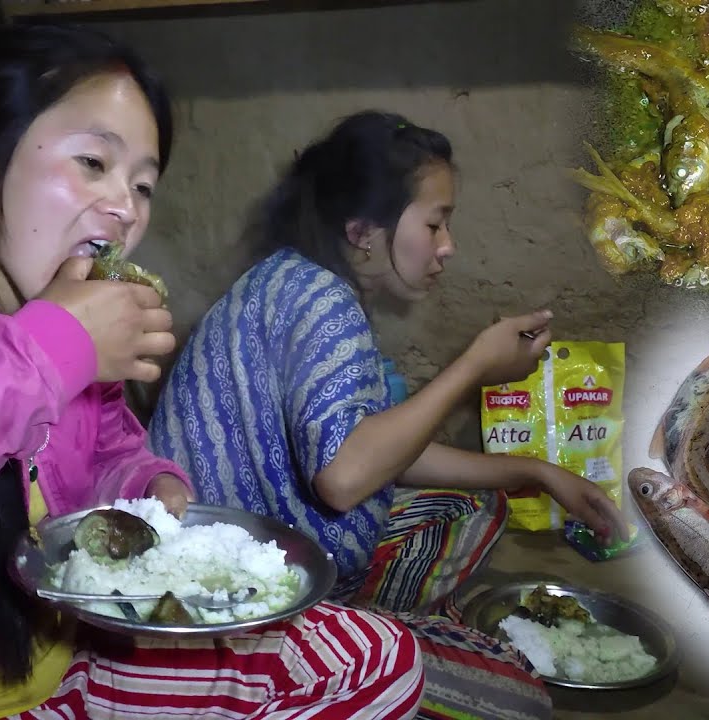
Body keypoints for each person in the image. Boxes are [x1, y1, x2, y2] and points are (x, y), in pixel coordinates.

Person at [0, 25, 423, 720]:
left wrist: (150, 489)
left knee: (379, 660)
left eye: (143, 184)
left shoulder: (60, 316)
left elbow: (108, 442)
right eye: (93, 162)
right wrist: (48, 350)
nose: (126, 208)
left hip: (63, 659)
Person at [148, 111, 629, 720]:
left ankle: (369, 633)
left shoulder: (292, 281)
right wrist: (474, 366)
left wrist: (536, 470)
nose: (448, 246)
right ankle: (334, 656)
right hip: (232, 613)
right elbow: (345, 476)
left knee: (473, 503)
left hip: (242, 569)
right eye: (435, 223)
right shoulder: (322, 301)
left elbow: (376, 450)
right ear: (363, 231)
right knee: (513, 694)